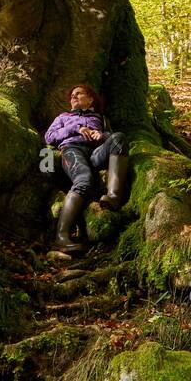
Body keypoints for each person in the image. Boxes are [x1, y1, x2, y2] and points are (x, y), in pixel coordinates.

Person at [44, 83, 129, 253]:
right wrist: (76, 127)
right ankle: (61, 237)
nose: (73, 97)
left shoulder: (100, 118)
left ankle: (113, 197)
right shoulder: (63, 117)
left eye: (78, 93)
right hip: (72, 150)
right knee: (84, 179)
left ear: (90, 99)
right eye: (72, 95)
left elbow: (113, 140)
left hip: (95, 153)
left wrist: (103, 135)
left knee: (119, 138)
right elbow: (49, 136)